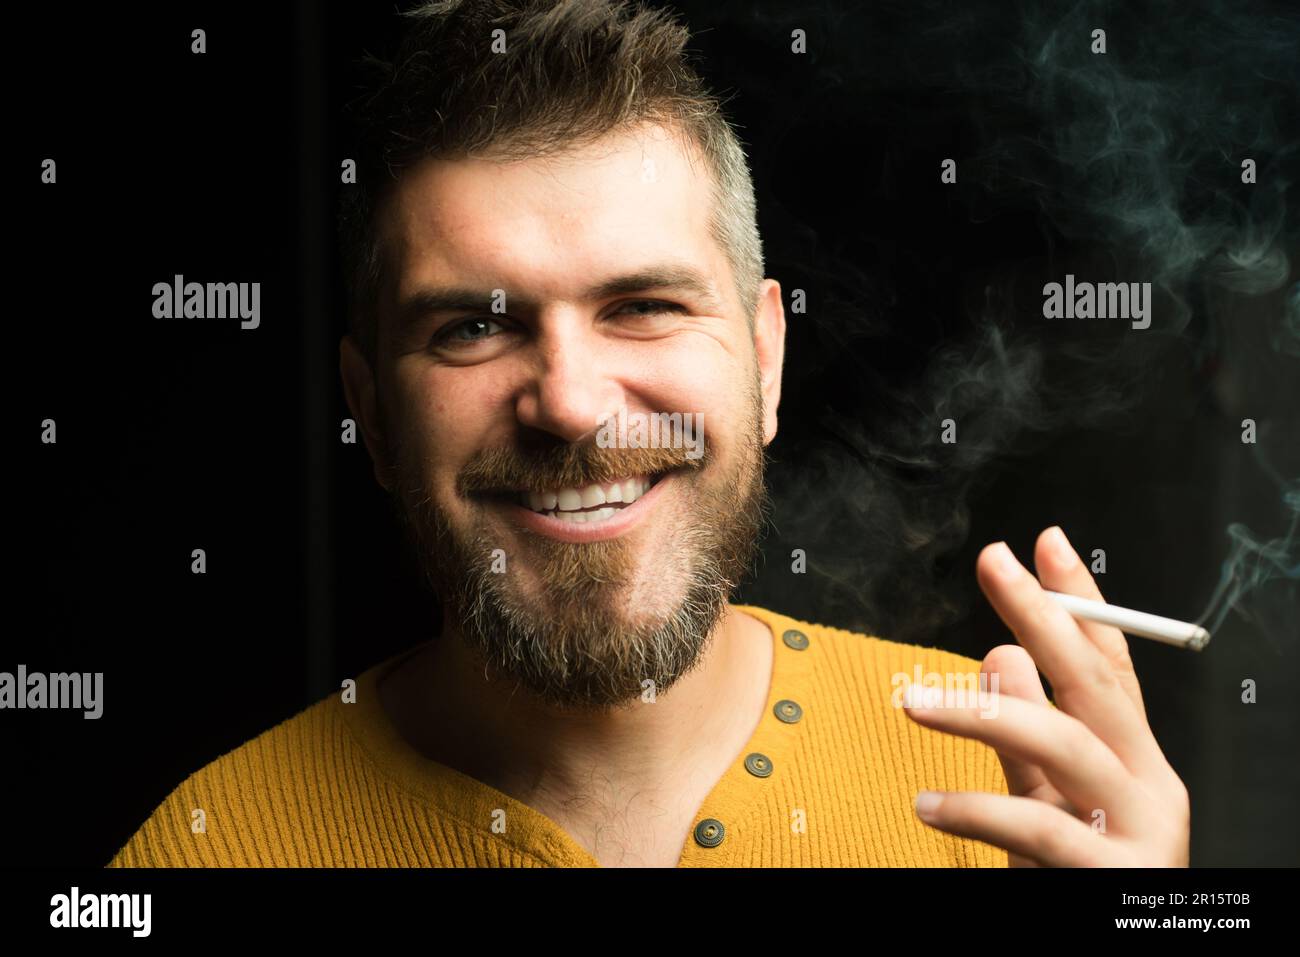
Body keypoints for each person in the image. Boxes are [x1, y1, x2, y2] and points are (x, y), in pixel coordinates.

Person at [109, 0, 1189, 868]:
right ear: (372, 413)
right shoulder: (202, 854)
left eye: (642, 305)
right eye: (473, 327)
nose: (571, 404)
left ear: (764, 362)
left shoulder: (1011, 791)